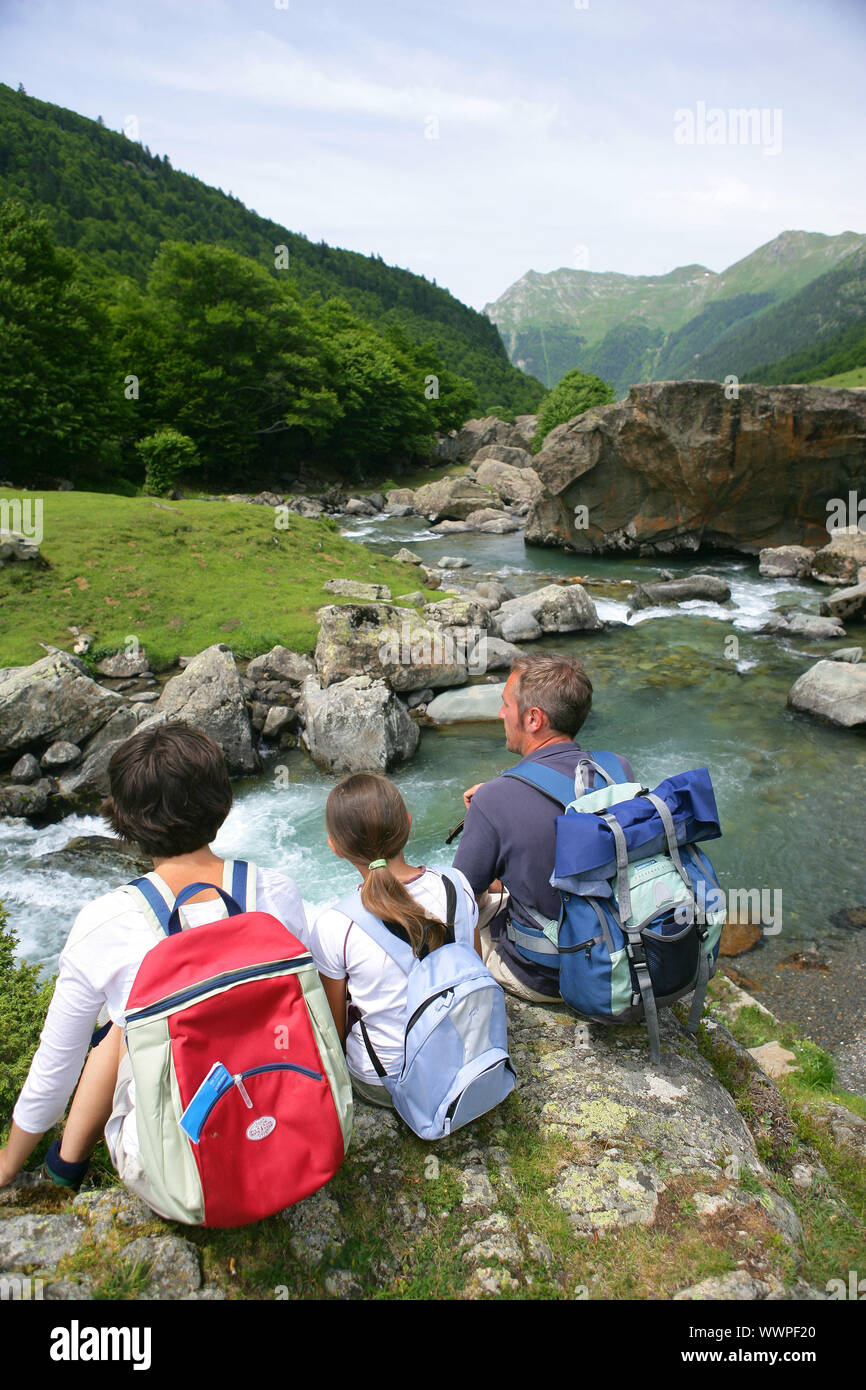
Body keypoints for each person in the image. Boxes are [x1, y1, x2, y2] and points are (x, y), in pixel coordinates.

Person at [0, 721, 309, 1193]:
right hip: (286, 1127)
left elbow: (54, 1072)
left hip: (178, 1171)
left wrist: (6, 1163)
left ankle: (60, 1173)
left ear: (123, 820)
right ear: (222, 805)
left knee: (125, 1021)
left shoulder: (105, 922)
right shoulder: (277, 892)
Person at [452, 653, 635, 1004]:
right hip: (618, 950)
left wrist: (486, 817)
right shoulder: (618, 769)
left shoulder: (495, 798)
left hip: (546, 975)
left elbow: (460, 902)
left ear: (533, 718)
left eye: (506, 704)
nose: (500, 714)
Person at [310, 772, 479, 1108]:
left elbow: (334, 1028)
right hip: (467, 1058)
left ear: (335, 847)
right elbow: (474, 968)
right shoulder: (456, 883)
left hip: (388, 1082)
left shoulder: (334, 924)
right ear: (408, 823)